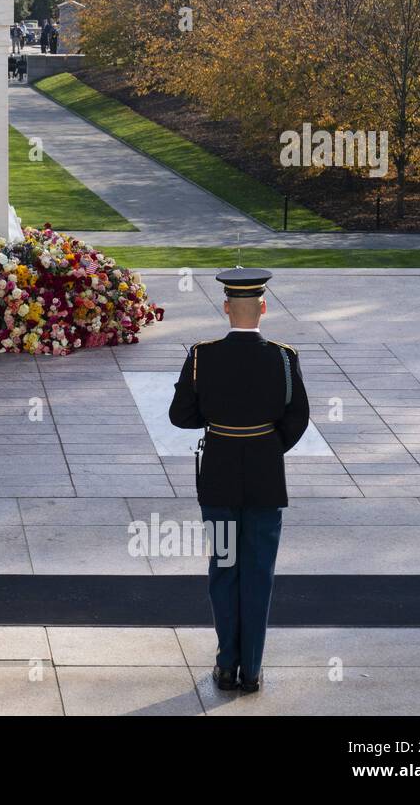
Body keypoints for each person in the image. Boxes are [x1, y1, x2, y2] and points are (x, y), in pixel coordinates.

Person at [168, 267, 309, 695]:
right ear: (263, 307)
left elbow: (181, 416)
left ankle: (226, 666)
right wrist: (266, 446)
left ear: (226, 307)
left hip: (220, 480)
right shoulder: (284, 357)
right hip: (266, 483)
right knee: (259, 572)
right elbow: (298, 417)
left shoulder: (202, 356)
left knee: (224, 569)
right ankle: (252, 669)